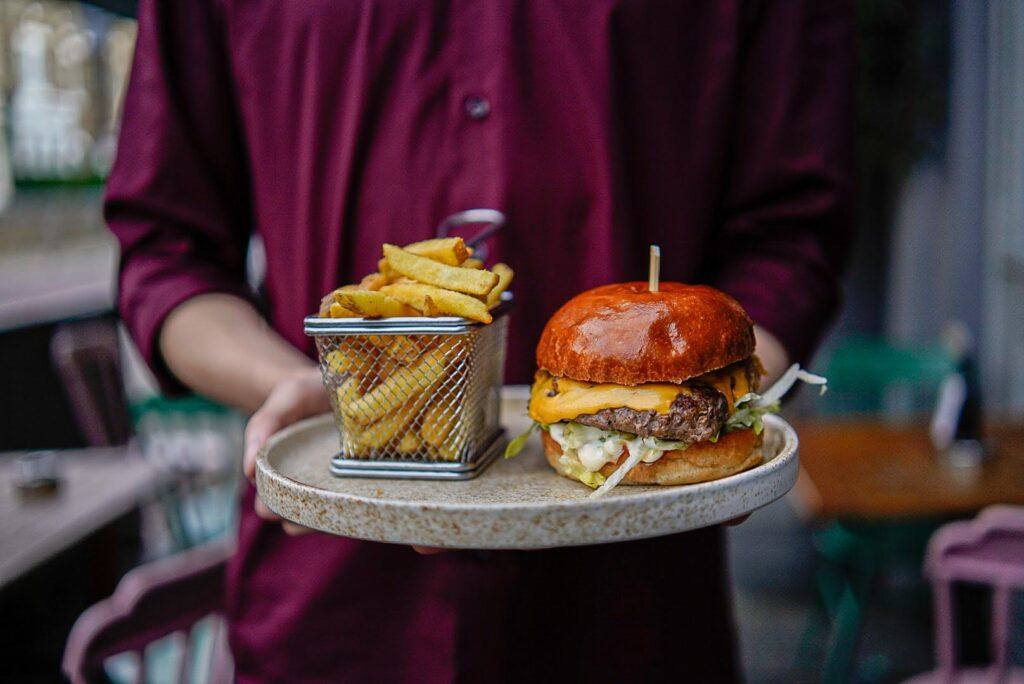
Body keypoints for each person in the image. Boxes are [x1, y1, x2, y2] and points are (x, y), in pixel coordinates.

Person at [107, 1, 853, 681]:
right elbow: (164, 250)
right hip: (332, 612)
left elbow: (793, 233)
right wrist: (305, 388)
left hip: (635, 614)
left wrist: (707, 406)